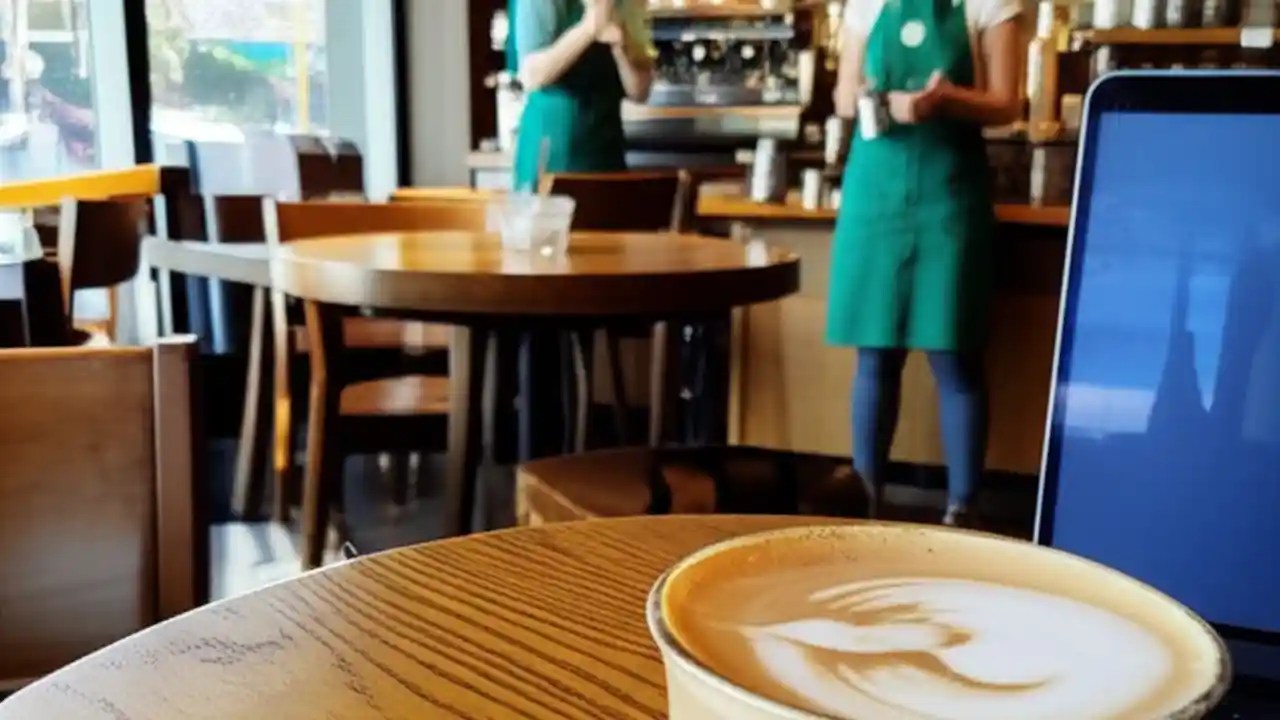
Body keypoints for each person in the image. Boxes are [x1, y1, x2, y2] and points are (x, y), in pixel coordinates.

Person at [828, 0, 1021, 525]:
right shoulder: (866, 5)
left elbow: (1008, 103)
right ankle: (865, 503)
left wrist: (949, 100)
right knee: (875, 352)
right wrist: (890, 102)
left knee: (953, 351)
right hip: (876, 190)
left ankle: (964, 509)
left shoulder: (992, 5)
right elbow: (845, 97)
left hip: (949, 193)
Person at [511, 0, 654, 191]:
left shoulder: (629, 4)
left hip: (604, 153)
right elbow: (532, 75)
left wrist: (620, 46)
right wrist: (589, 28)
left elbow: (640, 91)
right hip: (549, 153)